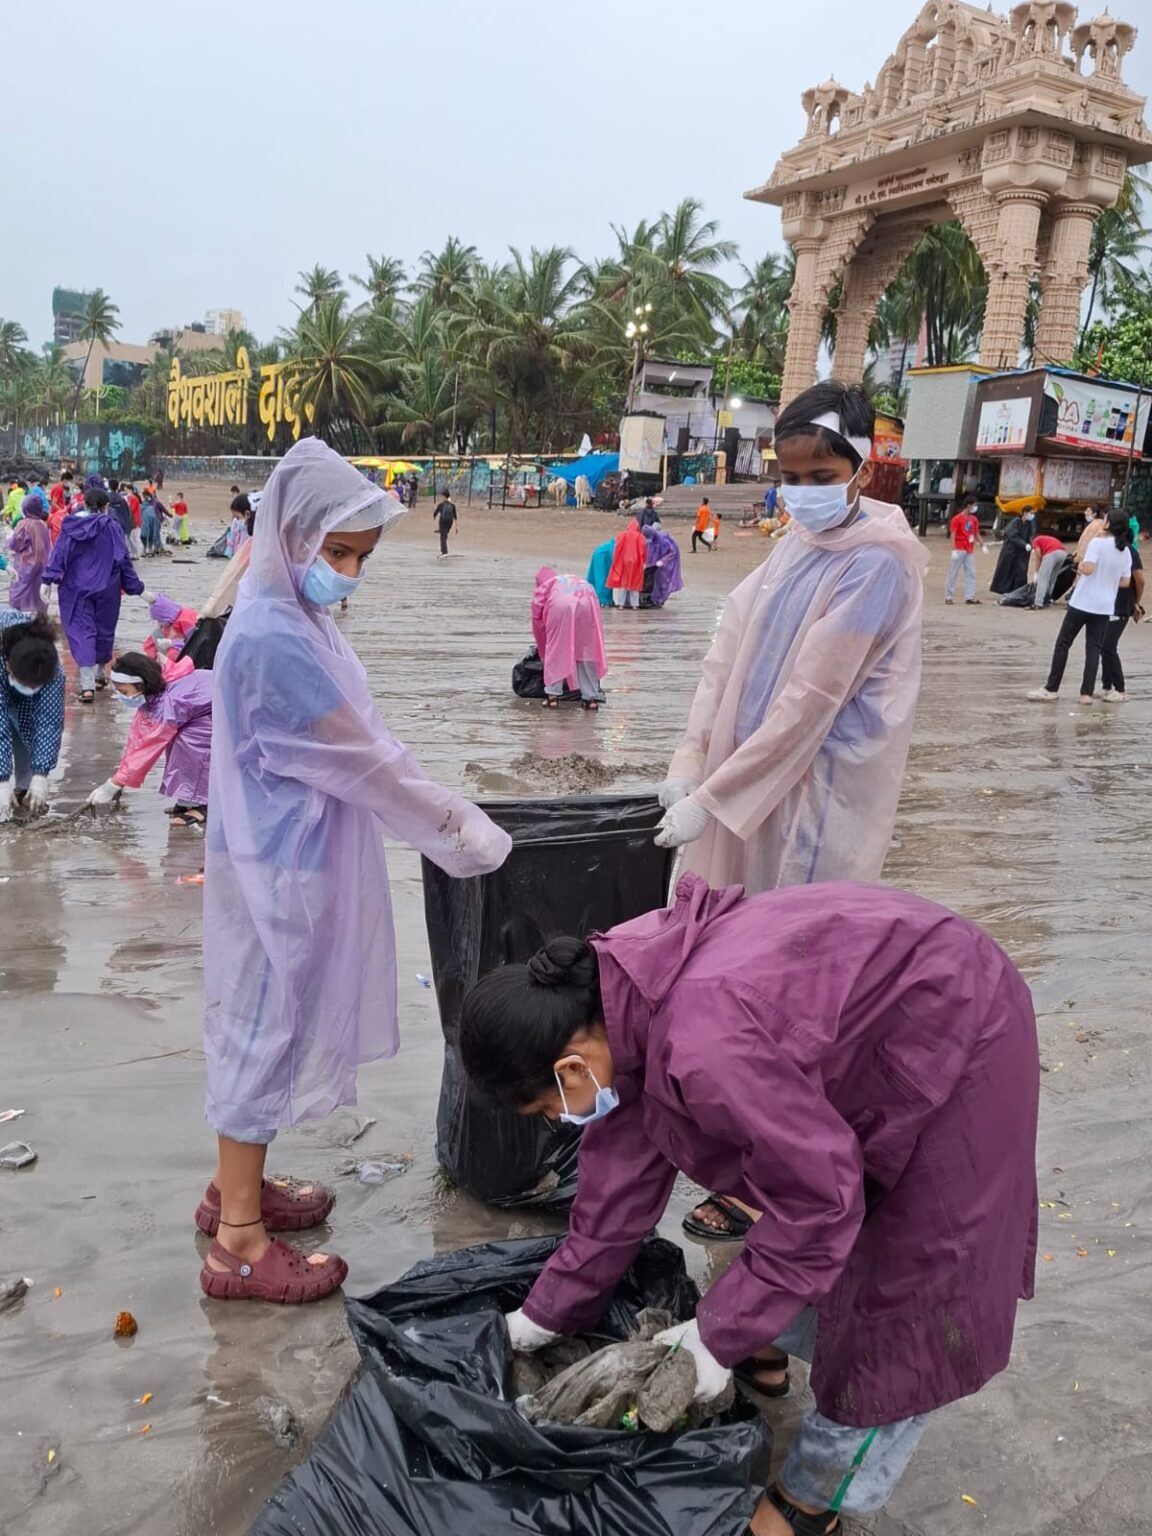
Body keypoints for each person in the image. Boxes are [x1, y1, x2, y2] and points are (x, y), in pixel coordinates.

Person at [461, 875, 1039, 1536]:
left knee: (905, 1298)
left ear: (569, 1069)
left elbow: (819, 1200)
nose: (557, 1119)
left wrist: (714, 1336)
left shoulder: (706, 1045)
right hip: (873, 1023)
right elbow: (620, 1176)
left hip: (959, 1029)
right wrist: (542, 1315)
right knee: (810, 1210)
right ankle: (761, 1339)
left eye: (545, 1109)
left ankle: (813, 1499)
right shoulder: (613, 997)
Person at [198, 438, 511, 1304]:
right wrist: (459, 831)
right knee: (261, 1027)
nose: (347, 572)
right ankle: (238, 1242)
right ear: (290, 536)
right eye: (336, 552)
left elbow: (358, 741)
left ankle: (237, 1187)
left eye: (360, 558)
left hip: (287, 850)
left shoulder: (298, 614)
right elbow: (363, 761)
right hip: (274, 865)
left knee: (265, 1019)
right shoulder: (271, 634)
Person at [655, 382, 927, 1239]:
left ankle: (773, 1179)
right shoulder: (793, 545)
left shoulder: (878, 557)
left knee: (789, 992)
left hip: (814, 804)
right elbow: (723, 655)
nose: (802, 484)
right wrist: (689, 765)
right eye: (790, 469)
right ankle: (742, 1146)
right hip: (743, 793)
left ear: (860, 466)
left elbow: (813, 702)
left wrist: (719, 795)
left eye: (822, 469)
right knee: (731, 973)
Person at [41, 478, 145, 702]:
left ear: (84, 503)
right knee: (104, 630)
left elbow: (58, 555)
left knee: (82, 632)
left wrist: (47, 580)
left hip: (76, 589)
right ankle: (99, 676)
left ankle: (87, 686)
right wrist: (138, 589)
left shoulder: (69, 526)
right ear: (106, 506)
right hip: (108, 586)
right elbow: (122, 560)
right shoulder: (113, 528)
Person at [86, 651, 214, 825]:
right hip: (209, 710)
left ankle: (202, 804)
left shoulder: (169, 702)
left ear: (140, 685)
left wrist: (115, 784)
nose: (120, 695)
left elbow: (149, 746)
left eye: (123, 691)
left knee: (190, 742)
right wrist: (119, 778)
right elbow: (138, 739)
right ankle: (188, 800)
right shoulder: (157, 691)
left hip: (222, 713)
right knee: (179, 739)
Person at [1028, 507, 1132, 705]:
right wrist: (1108, 579)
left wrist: (1081, 564)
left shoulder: (1098, 544)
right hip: (1104, 607)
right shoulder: (1125, 551)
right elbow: (1125, 582)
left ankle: (1051, 688)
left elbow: (1089, 569)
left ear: (1109, 524)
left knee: (1063, 643)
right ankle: (1086, 694)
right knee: (1093, 649)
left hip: (1083, 602)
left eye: (1105, 520)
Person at [0, 610, 66, 821]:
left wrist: (41, 775)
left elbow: (49, 722)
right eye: (26, 683)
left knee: (28, 725)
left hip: (28, 680)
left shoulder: (50, 668)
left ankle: (25, 789)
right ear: (8, 666)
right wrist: (1, 779)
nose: (30, 688)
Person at [532, 567, 607, 710]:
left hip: (562, 605)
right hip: (589, 601)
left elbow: (537, 621)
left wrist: (543, 650)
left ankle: (552, 697)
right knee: (586, 651)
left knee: (556, 650)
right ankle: (590, 699)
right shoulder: (570, 579)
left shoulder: (545, 587)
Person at [1100, 532, 1143, 702]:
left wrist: (1136, 602)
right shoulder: (1111, 551)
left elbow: (1140, 579)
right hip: (1108, 604)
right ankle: (1106, 686)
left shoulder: (1130, 552)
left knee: (1108, 646)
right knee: (1104, 645)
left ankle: (1120, 688)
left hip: (1122, 605)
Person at [7, 495, 51, 614]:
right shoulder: (43, 525)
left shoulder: (23, 524)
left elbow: (14, 544)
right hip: (42, 567)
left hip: (25, 567)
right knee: (38, 598)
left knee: (20, 598)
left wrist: (10, 536)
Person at [143, 592, 200, 663]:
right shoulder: (170, 620)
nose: (159, 623)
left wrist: (173, 643)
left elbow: (195, 642)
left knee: (172, 653)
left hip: (188, 653)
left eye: (160, 620)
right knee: (156, 633)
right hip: (177, 646)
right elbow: (150, 644)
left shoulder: (186, 620)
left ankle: (169, 666)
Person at [989, 507, 1035, 594]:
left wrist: (1031, 545)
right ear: (1025, 513)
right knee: (1007, 569)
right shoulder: (1015, 522)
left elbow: (1030, 535)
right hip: (1011, 550)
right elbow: (1013, 536)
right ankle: (1004, 589)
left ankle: (1019, 590)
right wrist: (1024, 544)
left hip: (1022, 551)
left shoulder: (1029, 524)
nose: (1032, 515)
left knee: (1021, 571)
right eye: (1031, 513)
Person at [944, 499, 981, 605]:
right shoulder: (957, 519)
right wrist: (953, 549)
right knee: (953, 572)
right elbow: (953, 534)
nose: (975, 508)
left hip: (969, 549)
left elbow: (976, 533)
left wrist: (982, 545)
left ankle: (970, 596)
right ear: (968, 506)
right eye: (974, 505)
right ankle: (949, 596)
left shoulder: (973, 519)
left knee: (971, 573)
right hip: (959, 548)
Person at [641, 522, 684, 608]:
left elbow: (672, 552)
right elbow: (649, 552)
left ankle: (660, 599)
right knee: (654, 582)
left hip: (664, 565)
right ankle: (655, 600)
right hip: (654, 565)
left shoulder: (663, 540)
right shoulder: (650, 541)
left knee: (662, 582)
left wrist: (662, 561)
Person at [607, 517, 647, 608]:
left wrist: (616, 560)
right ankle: (635, 605)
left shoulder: (622, 535)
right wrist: (644, 561)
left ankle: (621, 604)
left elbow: (617, 549)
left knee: (623, 584)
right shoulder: (640, 537)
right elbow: (642, 551)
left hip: (624, 561)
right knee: (635, 583)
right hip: (636, 562)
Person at [1027, 531, 1069, 609]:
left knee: (1042, 578)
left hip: (1051, 553)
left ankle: (1038, 603)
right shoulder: (1047, 538)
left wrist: (1036, 573)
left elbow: (1038, 555)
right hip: (1063, 554)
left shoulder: (1035, 540)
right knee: (1052, 578)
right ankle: (1048, 599)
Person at [585, 537, 615, 607]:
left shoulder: (613, 544)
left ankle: (599, 598)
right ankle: (602, 600)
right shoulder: (616, 545)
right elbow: (613, 555)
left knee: (599, 577)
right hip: (601, 557)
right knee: (602, 578)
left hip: (600, 555)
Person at [433, 488, 457, 557]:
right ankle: (443, 548)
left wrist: (434, 517)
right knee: (445, 534)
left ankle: (444, 552)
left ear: (444, 496)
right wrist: (456, 527)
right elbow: (455, 516)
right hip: (450, 523)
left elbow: (435, 513)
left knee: (442, 537)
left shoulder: (441, 505)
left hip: (442, 522)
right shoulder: (452, 505)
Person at [140, 487, 164, 557]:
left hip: (155, 521)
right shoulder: (143, 504)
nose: (145, 497)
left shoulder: (155, 502)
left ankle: (153, 549)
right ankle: (146, 550)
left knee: (154, 536)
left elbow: (163, 509)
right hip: (147, 522)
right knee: (145, 536)